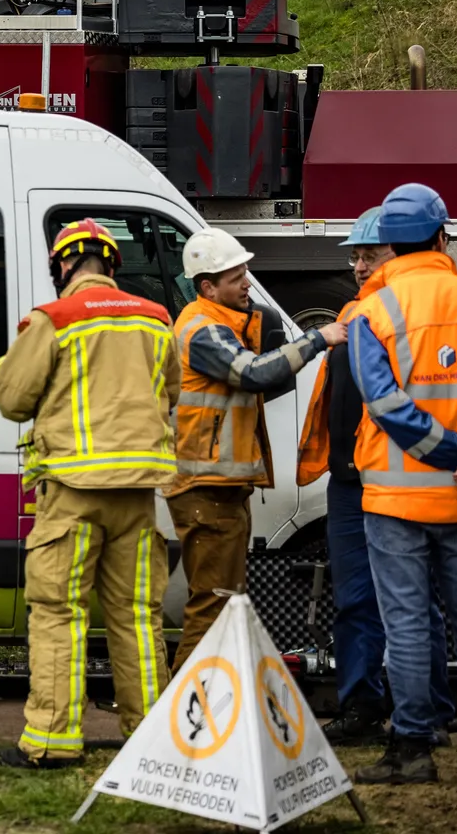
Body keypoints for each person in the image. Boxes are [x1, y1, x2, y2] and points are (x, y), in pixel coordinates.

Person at [0, 219, 180, 769]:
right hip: (139, 496)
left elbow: (12, 398)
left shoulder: (55, 320)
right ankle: (150, 742)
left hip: (73, 490)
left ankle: (52, 741)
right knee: (138, 616)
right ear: (112, 265)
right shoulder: (156, 318)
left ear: (63, 265)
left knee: (58, 612)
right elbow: (168, 390)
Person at [344, 184, 457, 786]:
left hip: (395, 497)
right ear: (444, 235)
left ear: (389, 241)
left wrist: (446, 452)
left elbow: (386, 404)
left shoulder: (373, 313)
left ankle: (414, 749)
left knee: (408, 622)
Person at [296, 208, 454, 745]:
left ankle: (429, 710)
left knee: (415, 600)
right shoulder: (349, 314)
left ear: (401, 254)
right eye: (356, 256)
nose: (360, 265)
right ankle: (362, 705)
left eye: (371, 255)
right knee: (355, 597)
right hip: (349, 482)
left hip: (400, 480)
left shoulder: (411, 314)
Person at [169, 226, 344, 669]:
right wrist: (317, 338)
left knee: (224, 603)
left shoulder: (219, 324)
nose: (247, 282)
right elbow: (255, 374)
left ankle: (206, 711)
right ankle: (185, 716)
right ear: (208, 286)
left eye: (246, 272)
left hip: (220, 488)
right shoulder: (203, 330)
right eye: (236, 276)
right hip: (207, 490)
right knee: (213, 606)